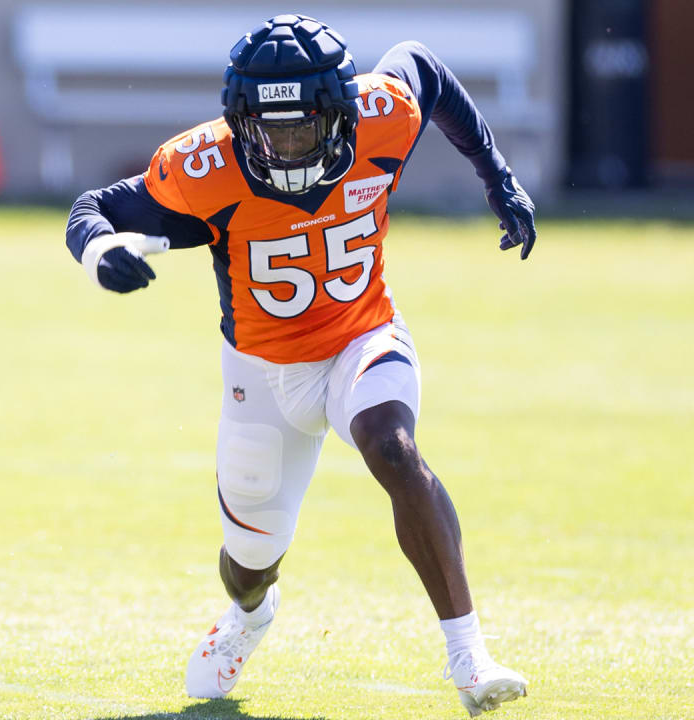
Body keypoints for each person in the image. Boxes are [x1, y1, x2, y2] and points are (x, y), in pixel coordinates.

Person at [65, 14, 534, 717]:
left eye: (303, 126)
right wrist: (102, 253)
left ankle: (470, 655)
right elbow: (93, 207)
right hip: (263, 373)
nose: (285, 144)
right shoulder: (205, 167)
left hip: (361, 336)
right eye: (270, 128)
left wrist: (497, 176)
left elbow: (423, 64)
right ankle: (251, 614)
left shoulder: (385, 111)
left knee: (393, 448)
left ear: (342, 112)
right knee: (249, 564)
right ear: (240, 121)